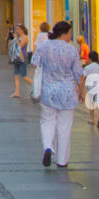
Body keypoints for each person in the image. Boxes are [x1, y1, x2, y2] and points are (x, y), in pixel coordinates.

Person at [32, 20, 85, 168]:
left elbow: (34, 63)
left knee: (47, 120)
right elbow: (78, 74)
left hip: (48, 90)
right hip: (67, 91)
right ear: (65, 33)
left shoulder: (43, 46)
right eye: (69, 33)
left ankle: (48, 146)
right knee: (64, 126)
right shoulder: (72, 50)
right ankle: (62, 160)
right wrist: (82, 91)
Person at [82, 51, 99, 128]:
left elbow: (83, 77)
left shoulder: (87, 67)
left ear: (89, 59)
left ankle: (92, 119)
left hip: (91, 87)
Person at [9, 24, 30, 98]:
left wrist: (16, 39)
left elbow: (20, 46)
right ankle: (17, 92)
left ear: (22, 30)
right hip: (16, 57)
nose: (17, 31)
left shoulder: (25, 37)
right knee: (16, 75)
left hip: (22, 58)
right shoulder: (19, 37)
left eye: (18, 29)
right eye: (16, 29)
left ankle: (36, 87)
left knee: (24, 76)